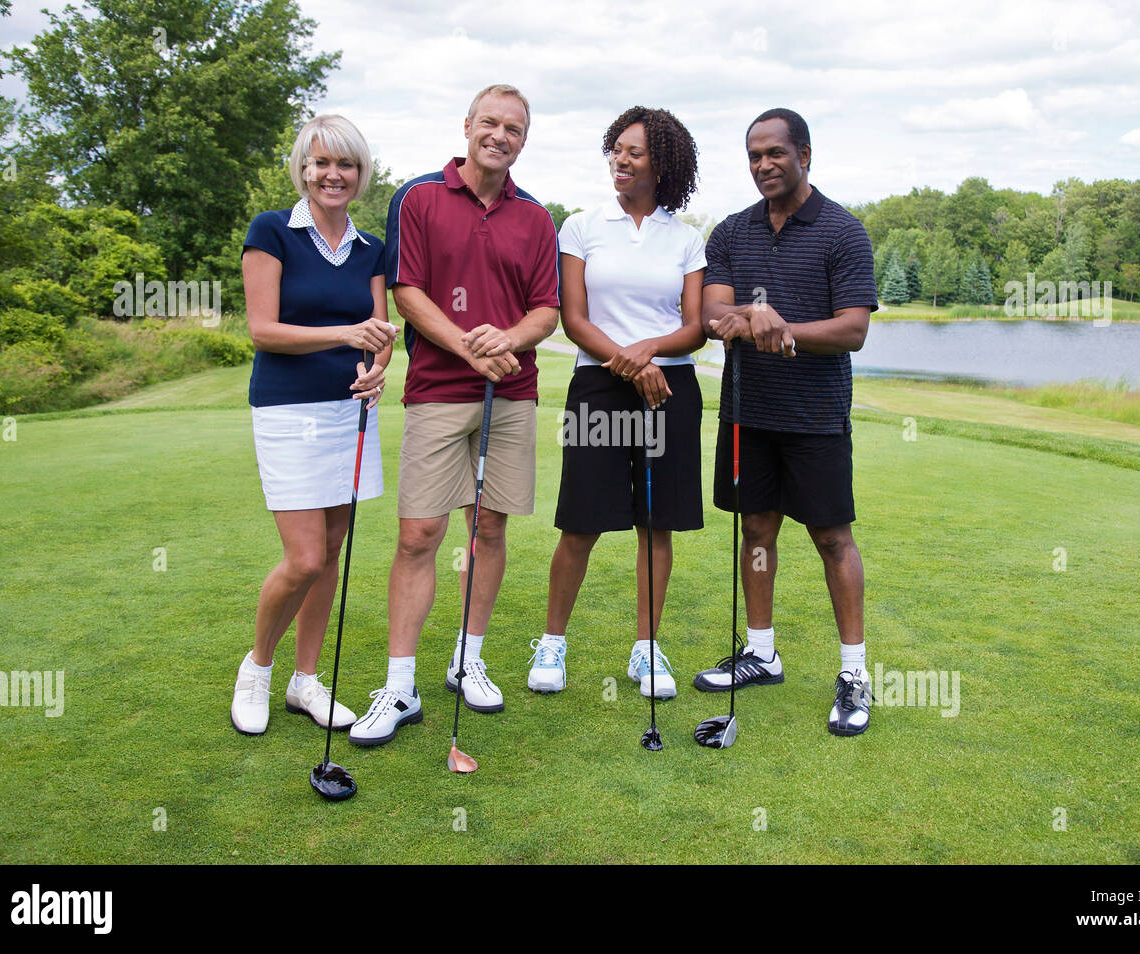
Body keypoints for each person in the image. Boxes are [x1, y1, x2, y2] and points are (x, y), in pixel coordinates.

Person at [349, 84, 560, 746]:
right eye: (490, 123)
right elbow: (407, 291)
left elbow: (546, 310)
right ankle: (400, 685)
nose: (500, 136)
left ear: (524, 140)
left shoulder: (536, 217)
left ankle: (469, 660)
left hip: (512, 393)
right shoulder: (418, 197)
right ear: (467, 126)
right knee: (419, 535)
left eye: (514, 129)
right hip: (439, 390)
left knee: (490, 528)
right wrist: (470, 344)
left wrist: (511, 340)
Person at [695, 107, 878, 736]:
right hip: (749, 414)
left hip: (816, 417)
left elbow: (853, 329)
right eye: (753, 156)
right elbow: (713, 316)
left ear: (804, 154)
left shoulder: (842, 231)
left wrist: (781, 328)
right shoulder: (731, 233)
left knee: (832, 539)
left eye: (775, 153)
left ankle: (854, 673)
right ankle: (762, 652)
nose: (763, 165)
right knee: (757, 533)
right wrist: (750, 313)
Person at [528, 106, 706, 698]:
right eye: (617, 149)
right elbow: (574, 321)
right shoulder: (580, 226)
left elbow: (695, 327)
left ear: (665, 163)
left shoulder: (686, 238)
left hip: (669, 389)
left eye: (636, 152)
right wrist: (630, 365)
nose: (621, 160)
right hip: (601, 384)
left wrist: (650, 353)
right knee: (581, 521)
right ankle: (552, 643)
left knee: (657, 527)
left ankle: (647, 651)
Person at [231, 114, 397, 736]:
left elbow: (380, 334)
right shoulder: (272, 231)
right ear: (303, 169)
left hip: (347, 412)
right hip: (287, 410)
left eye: (346, 164)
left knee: (331, 552)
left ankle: (306, 681)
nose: (333, 174)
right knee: (303, 558)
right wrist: (344, 334)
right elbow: (263, 330)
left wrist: (378, 367)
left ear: (360, 175)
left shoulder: (371, 247)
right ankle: (258, 667)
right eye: (321, 163)